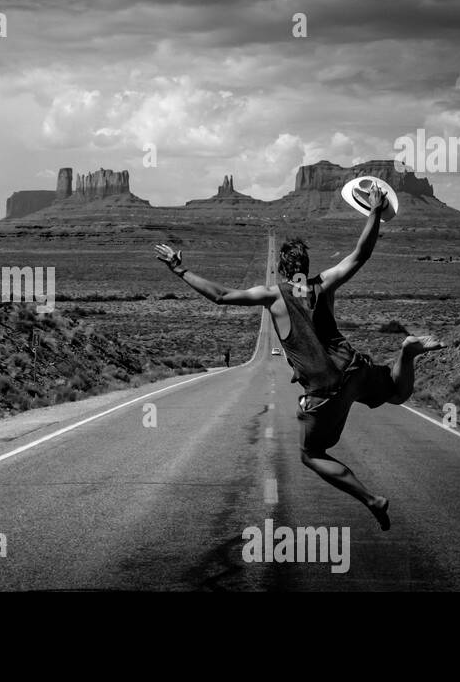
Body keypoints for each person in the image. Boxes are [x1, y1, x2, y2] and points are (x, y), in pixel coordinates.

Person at [153, 183, 443, 530]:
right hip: (354, 367)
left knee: (311, 455)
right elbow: (360, 254)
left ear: (281, 270)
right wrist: (375, 213)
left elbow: (221, 296)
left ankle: (372, 499)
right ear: (306, 265)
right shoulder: (325, 282)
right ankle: (407, 352)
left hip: (325, 389)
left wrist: (180, 270)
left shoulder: (273, 296)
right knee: (398, 393)